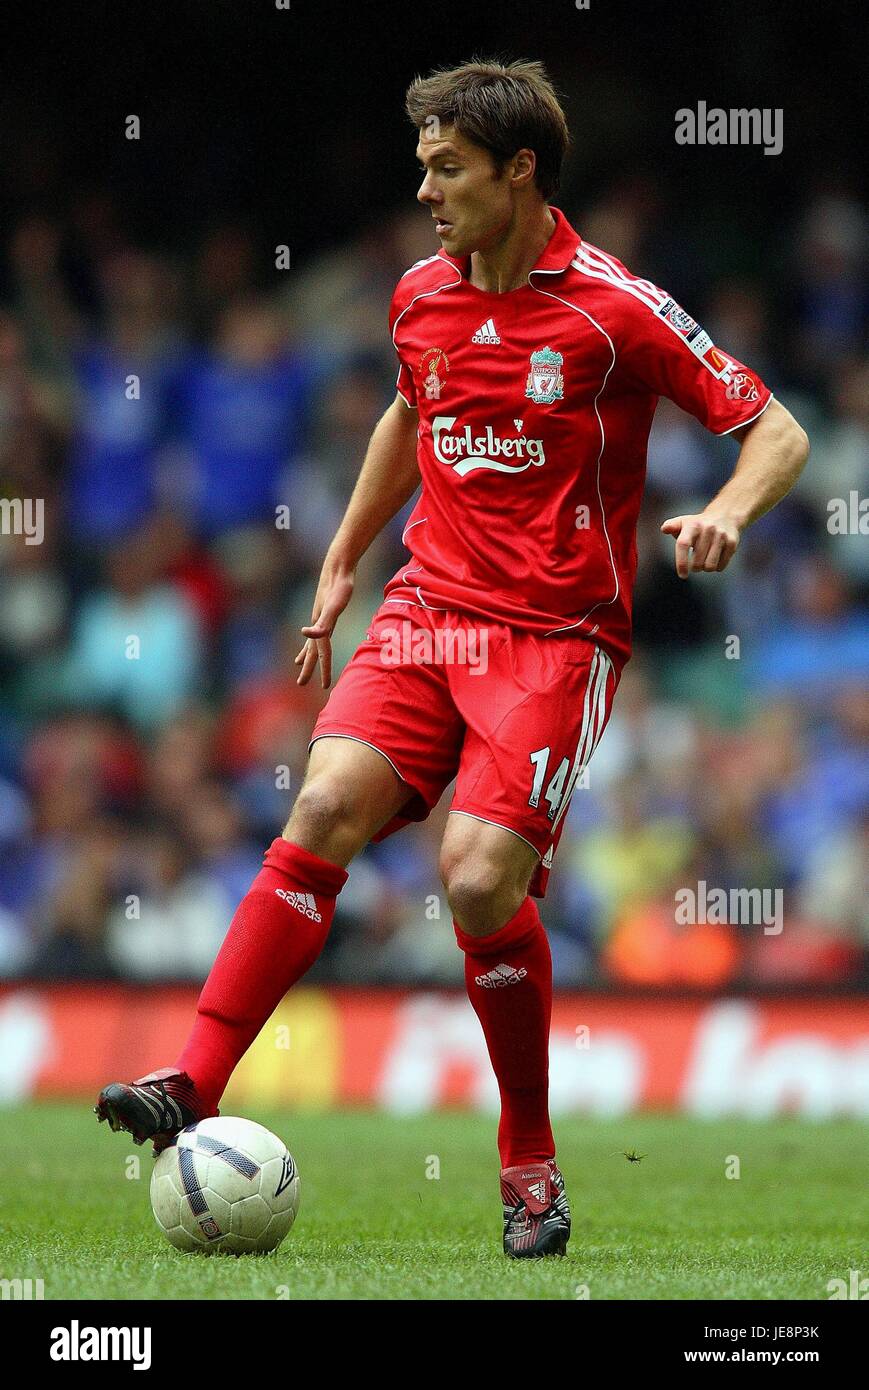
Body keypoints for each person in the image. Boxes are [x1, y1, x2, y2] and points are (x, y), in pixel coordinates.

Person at [95, 58, 809, 1259]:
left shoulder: (608, 306)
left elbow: (771, 428)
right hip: (428, 609)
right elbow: (408, 409)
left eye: (446, 169)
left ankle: (525, 1155)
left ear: (517, 170)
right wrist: (340, 555)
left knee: (476, 881)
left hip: (556, 635)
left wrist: (729, 512)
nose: (424, 191)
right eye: (421, 167)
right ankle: (195, 1081)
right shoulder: (420, 293)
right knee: (318, 801)